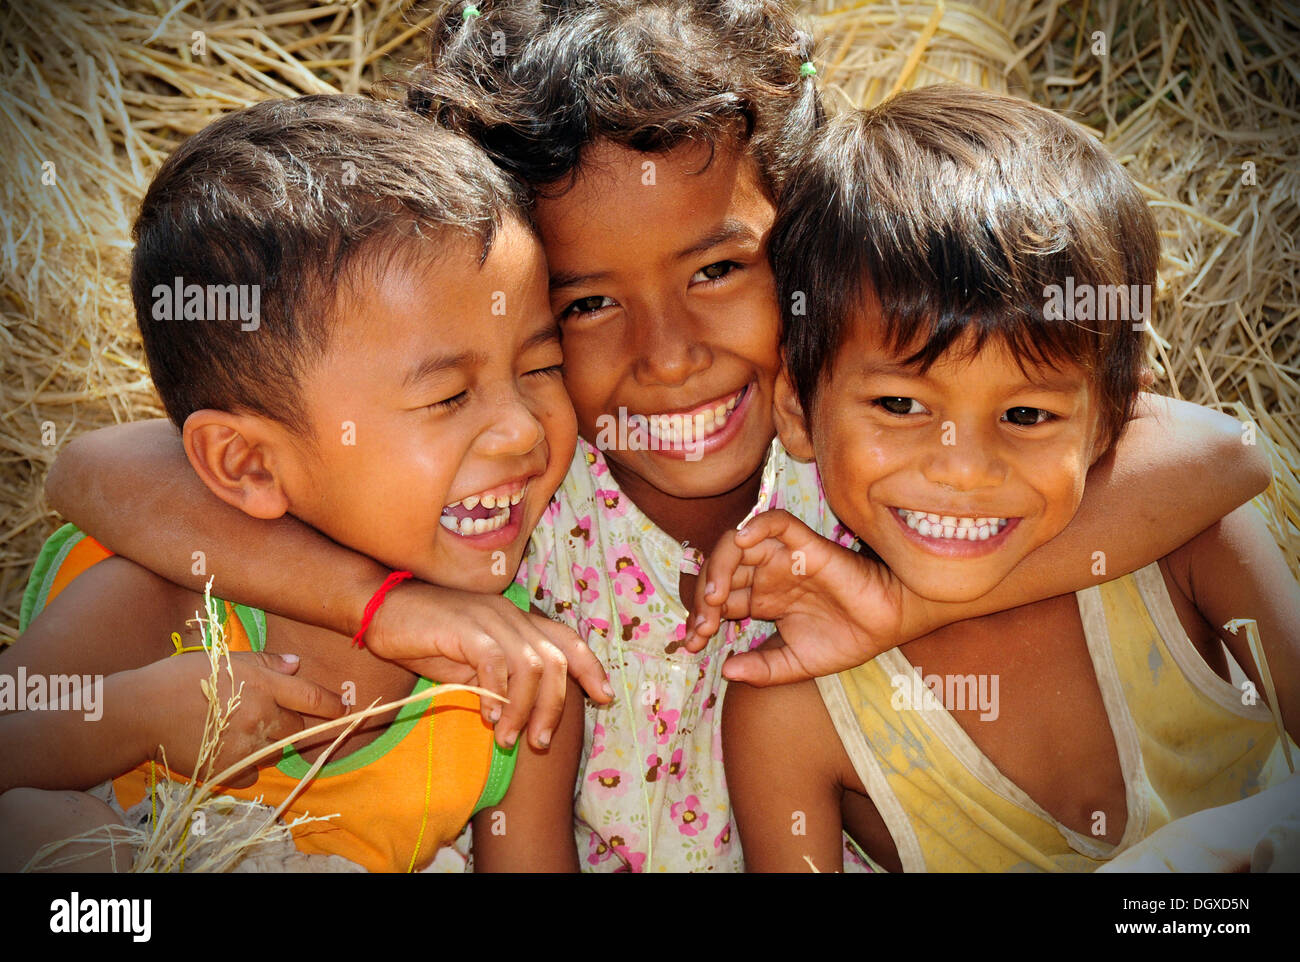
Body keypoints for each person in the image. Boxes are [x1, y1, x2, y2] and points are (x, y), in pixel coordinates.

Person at [44, 2, 1271, 871]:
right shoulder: (514, 481)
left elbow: (1219, 454)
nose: (670, 350)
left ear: (799, 241)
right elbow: (97, 469)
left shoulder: (864, 426)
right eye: (581, 305)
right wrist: (389, 608)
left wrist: (903, 607)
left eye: (720, 267)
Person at [709, 85, 1300, 872]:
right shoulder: (787, 714)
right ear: (797, 410)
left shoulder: (1189, 544)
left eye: (1025, 416)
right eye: (899, 403)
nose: (962, 469)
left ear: (1113, 418)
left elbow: (1233, 451)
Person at [0, 94, 584, 873]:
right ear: (247, 464)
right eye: (447, 396)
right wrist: (136, 718)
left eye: (541, 367)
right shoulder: (174, 600)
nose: (522, 431)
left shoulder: (522, 682)